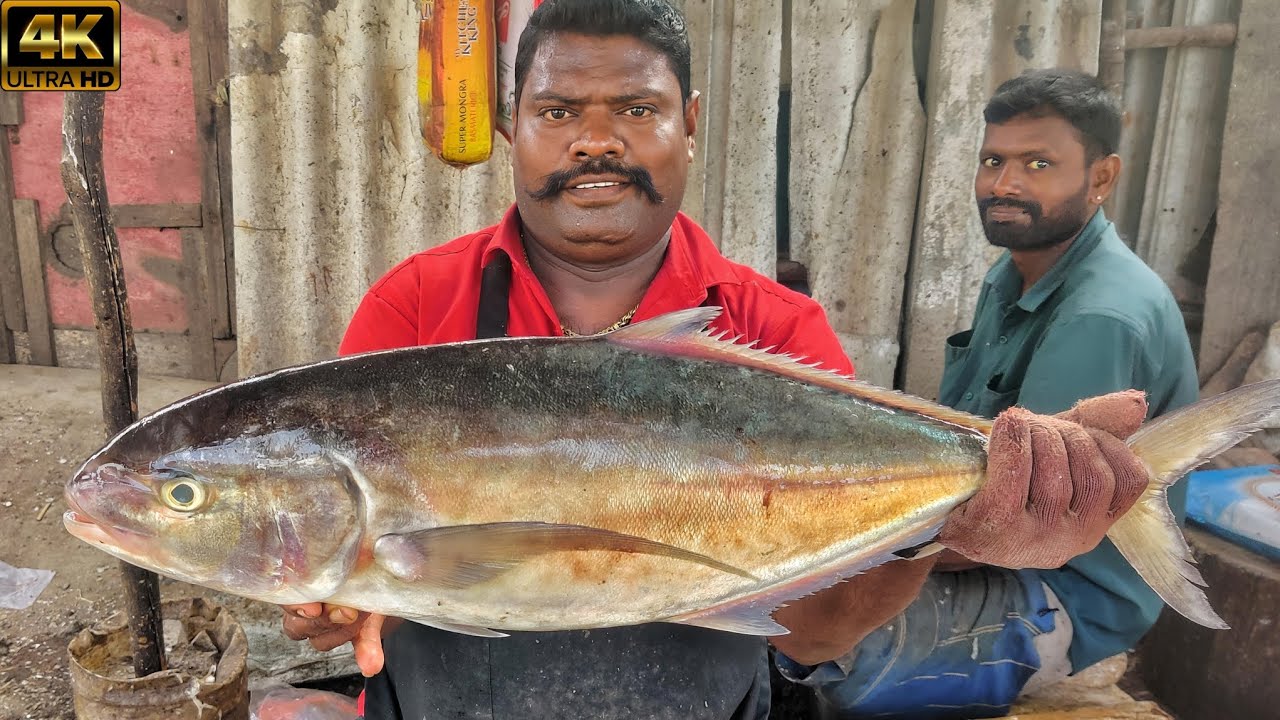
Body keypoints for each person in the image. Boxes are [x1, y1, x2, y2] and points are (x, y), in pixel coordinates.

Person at [281, 5, 1152, 717]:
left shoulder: (774, 328)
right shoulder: (416, 305)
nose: (595, 142)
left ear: (689, 126)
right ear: (513, 129)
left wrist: (939, 527)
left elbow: (812, 638)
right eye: (558, 112)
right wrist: (338, 595)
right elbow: (367, 575)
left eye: (636, 109)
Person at [777, 69, 1198, 719]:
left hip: (1057, 594)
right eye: (992, 161)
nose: (1004, 184)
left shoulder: (1101, 316)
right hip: (987, 558)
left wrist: (847, 558)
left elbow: (1013, 524)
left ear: (1101, 178)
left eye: (1037, 163)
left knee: (805, 649)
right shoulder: (1015, 271)